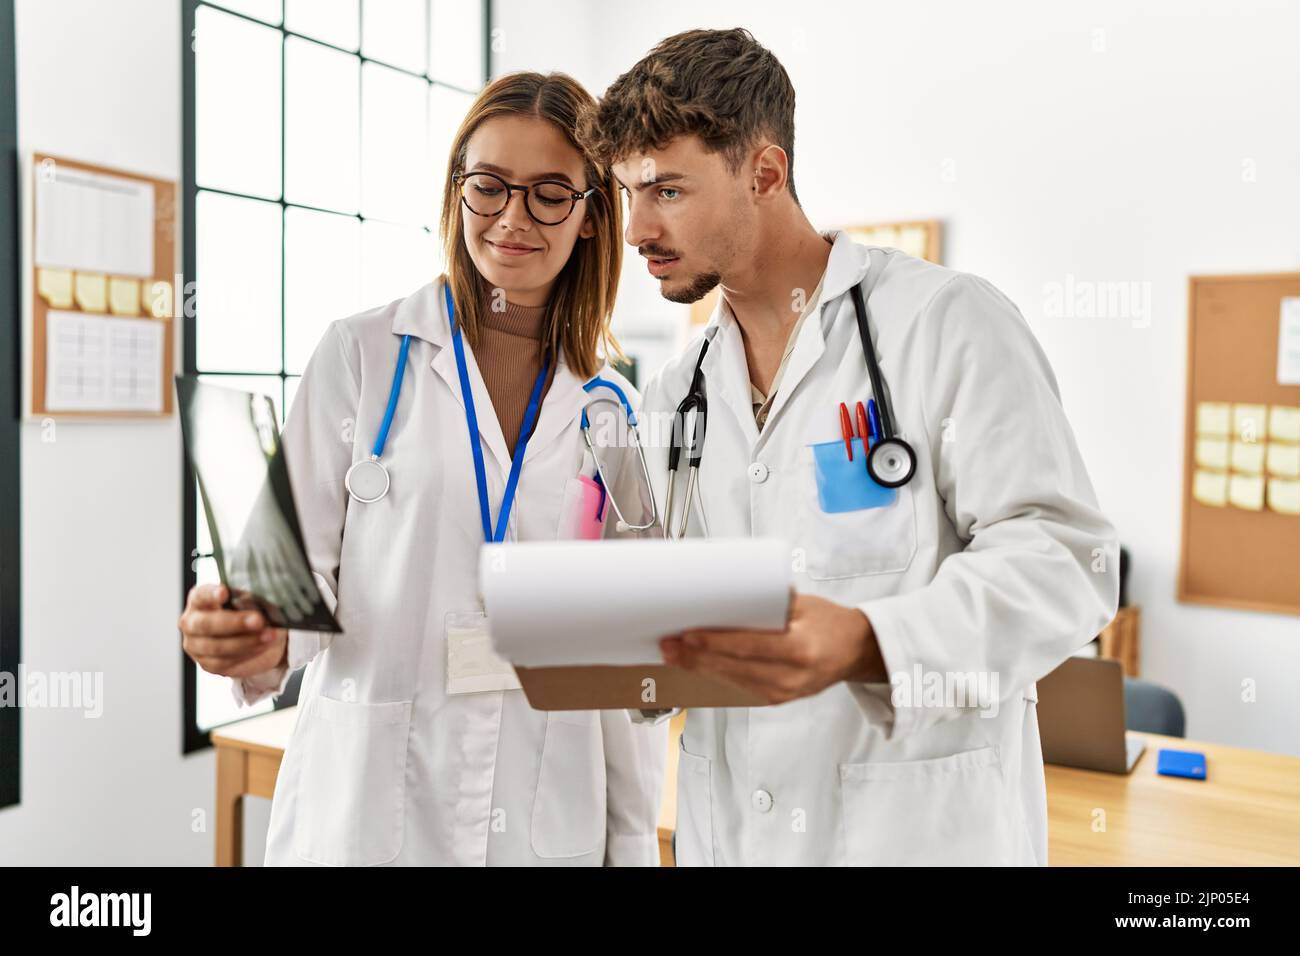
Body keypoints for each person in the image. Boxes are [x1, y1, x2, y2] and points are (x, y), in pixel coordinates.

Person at [580, 28, 1119, 866]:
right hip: (729, 837)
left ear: (764, 173)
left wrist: (872, 641)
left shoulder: (945, 324)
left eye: (667, 191)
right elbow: (674, 624)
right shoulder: (677, 390)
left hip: (914, 838)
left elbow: (1066, 559)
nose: (637, 226)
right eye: (625, 193)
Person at [180, 72, 666, 867]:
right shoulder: (363, 356)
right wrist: (250, 637)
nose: (512, 217)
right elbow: (297, 586)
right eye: (489, 186)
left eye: (550, 193)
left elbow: (621, 657)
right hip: (372, 808)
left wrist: (630, 846)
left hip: (544, 809)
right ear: (458, 192)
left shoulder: (609, 409)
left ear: (589, 215)